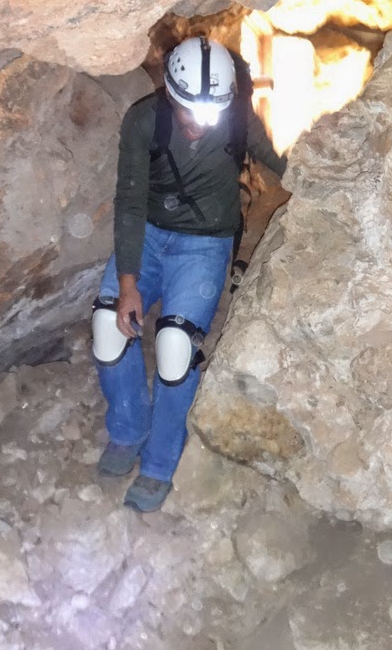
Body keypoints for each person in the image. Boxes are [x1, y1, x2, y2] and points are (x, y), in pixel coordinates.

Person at [91, 36, 287, 512]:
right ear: (171, 98)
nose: (198, 127)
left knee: (174, 347)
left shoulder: (236, 117)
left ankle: (159, 462)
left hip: (205, 242)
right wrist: (130, 285)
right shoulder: (145, 120)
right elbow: (130, 200)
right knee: (107, 327)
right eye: (188, 115)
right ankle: (128, 428)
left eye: (209, 116)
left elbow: (282, 162)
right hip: (151, 234)